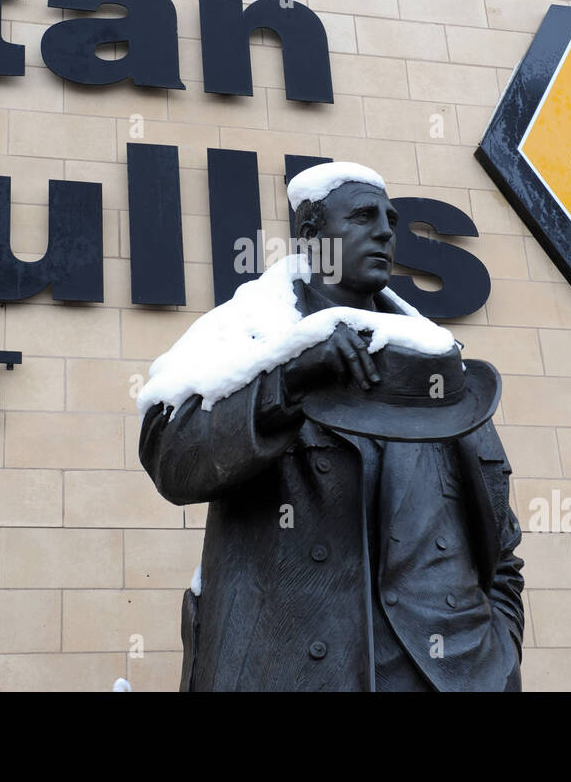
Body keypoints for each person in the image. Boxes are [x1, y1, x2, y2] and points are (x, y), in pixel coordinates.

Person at [137, 162, 525, 691]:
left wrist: (500, 651)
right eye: (364, 216)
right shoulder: (247, 333)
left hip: (453, 672)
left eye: (389, 218)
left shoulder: (432, 359)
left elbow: (500, 547)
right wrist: (288, 381)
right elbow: (171, 459)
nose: (387, 230)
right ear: (310, 236)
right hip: (298, 670)